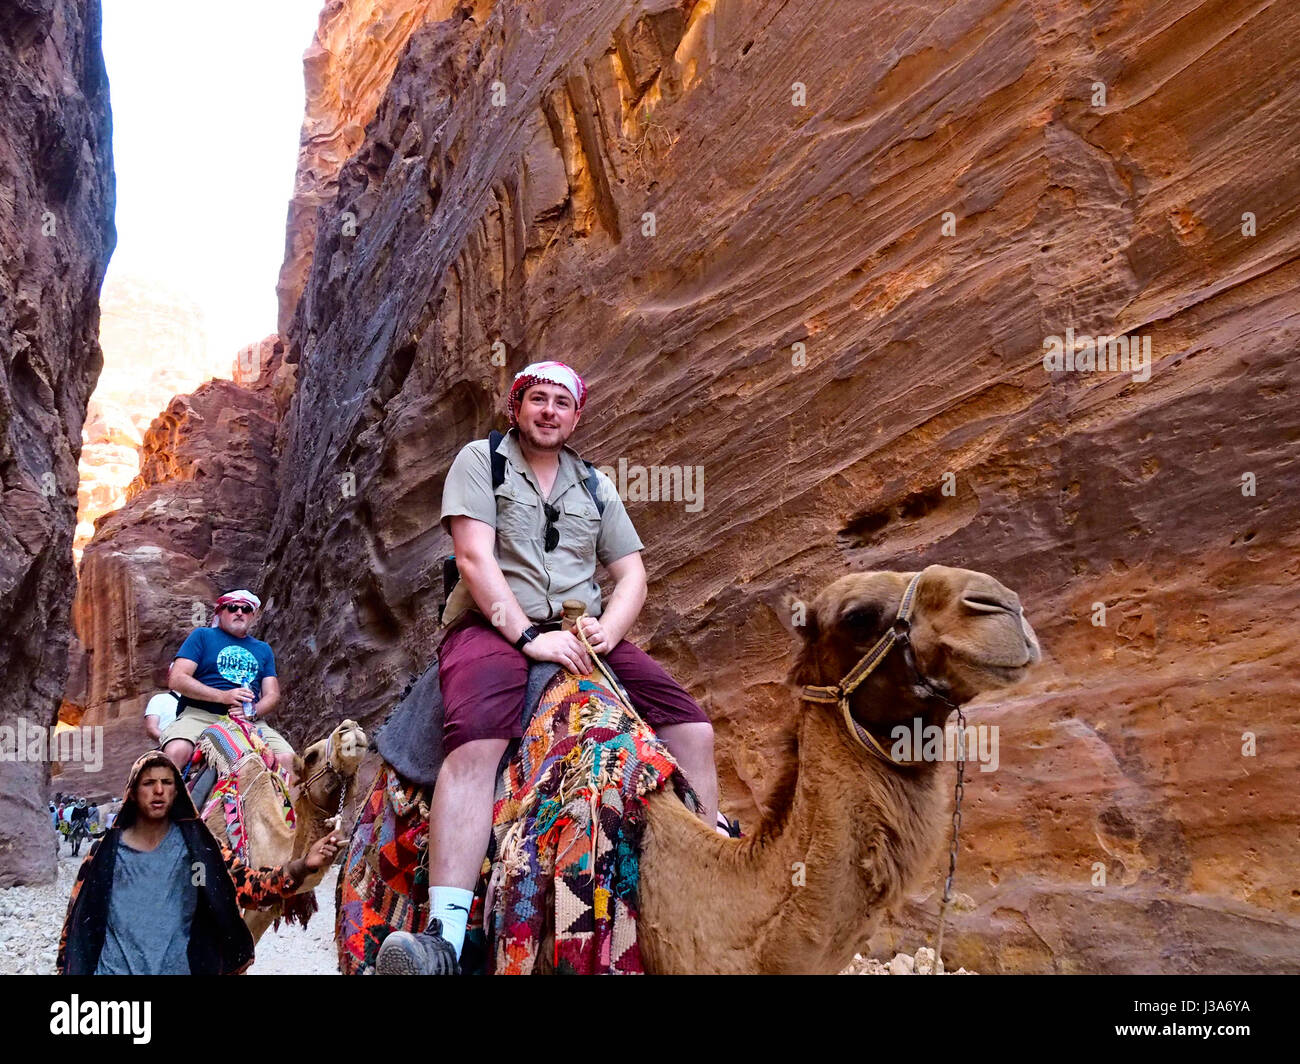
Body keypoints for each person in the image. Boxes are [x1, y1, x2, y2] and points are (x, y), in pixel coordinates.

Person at [378, 360, 720, 975]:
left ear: (576, 415)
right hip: (494, 626)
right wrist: (527, 634)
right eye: (538, 399)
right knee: (477, 740)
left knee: (692, 729)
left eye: (562, 403)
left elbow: (632, 573)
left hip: (580, 634)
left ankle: (710, 884)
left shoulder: (592, 484)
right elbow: (473, 557)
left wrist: (607, 630)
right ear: (518, 407)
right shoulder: (481, 461)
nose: (549, 412)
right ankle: (445, 936)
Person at [57, 750, 343, 975]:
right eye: (148, 783)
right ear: (132, 792)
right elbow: (77, 925)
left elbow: (250, 887)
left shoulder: (201, 851)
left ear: (176, 791)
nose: (158, 790)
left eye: (166, 783)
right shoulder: (103, 853)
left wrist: (305, 864)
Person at [158, 590, 295, 777]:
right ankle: (167, 804)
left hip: (249, 721)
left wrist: (253, 711)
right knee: (176, 751)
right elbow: (177, 678)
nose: (239, 612)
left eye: (246, 609)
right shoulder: (202, 636)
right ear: (220, 612)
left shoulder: (263, 649)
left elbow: (272, 694)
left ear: (253, 616)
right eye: (232, 607)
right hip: (200, 715)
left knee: (290, 761)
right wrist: (223, 696)